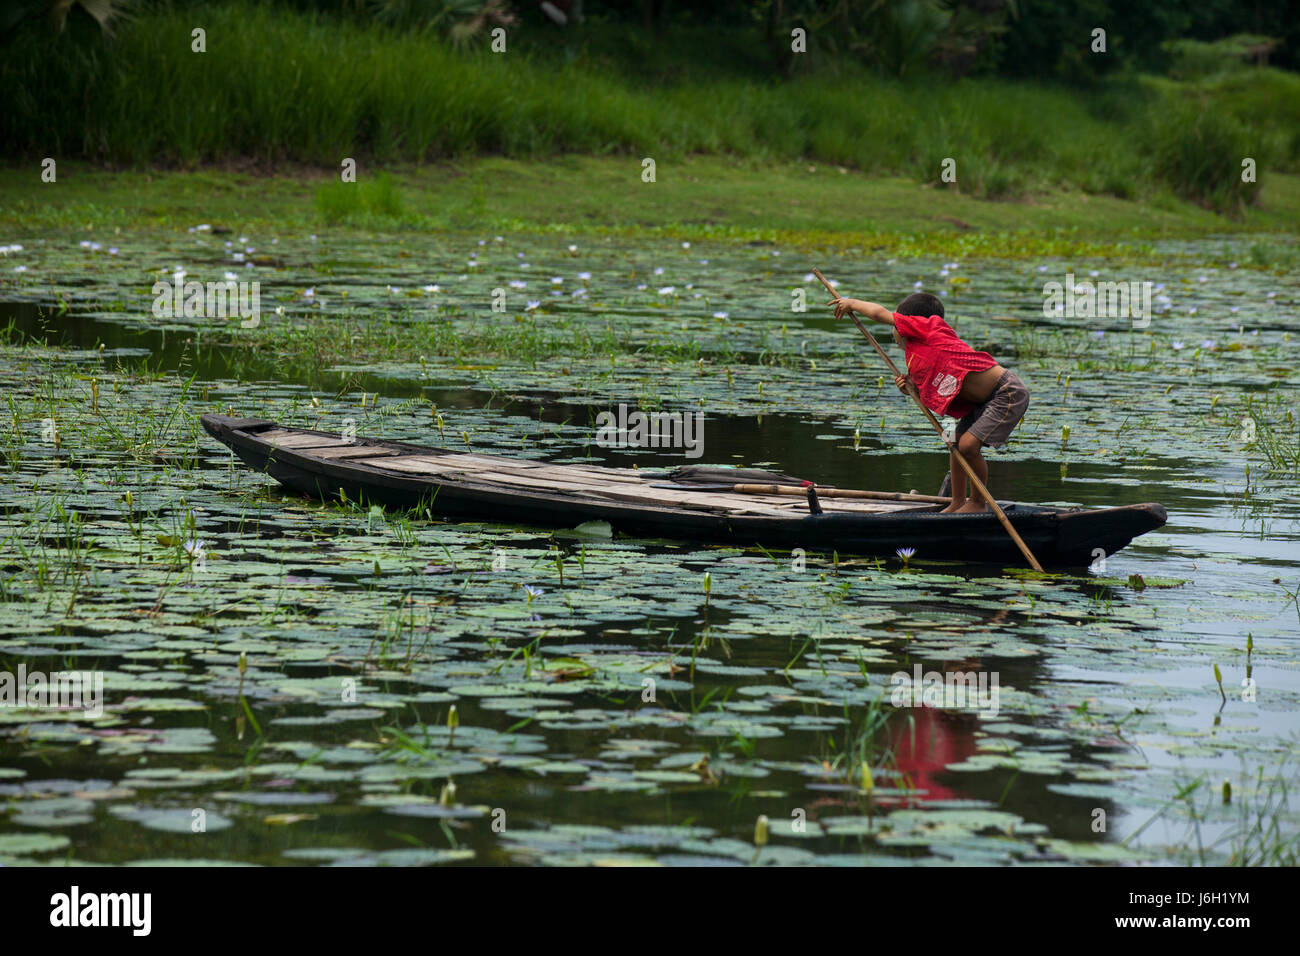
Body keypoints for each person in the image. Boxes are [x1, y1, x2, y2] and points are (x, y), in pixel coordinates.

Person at [828, 291, 1029, 513]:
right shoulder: (917, 356)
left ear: (908, 323)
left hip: (1005, 392)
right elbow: (931, 389)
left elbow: (879, 313)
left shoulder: (928, 328)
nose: (894, 332)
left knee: (968, 446)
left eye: (896, 325)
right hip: (980, 403)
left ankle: (978, 503)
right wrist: (911, 388)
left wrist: (853, 303)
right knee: (954, 442)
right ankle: (957, 502)